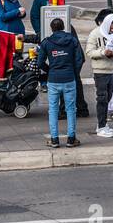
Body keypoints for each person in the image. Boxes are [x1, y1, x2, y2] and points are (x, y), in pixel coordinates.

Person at [39, 17, 82, 148]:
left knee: (53, 109)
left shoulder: (46, 42)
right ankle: (71, 138)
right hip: (69, 78)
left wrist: (50, 70)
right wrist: (74, 72)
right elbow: (79, 59)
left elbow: (40, 62)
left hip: (53, 80)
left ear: (51, 29)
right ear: (63, 27)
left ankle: (54, 139)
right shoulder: (72, 40)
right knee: (71, 109)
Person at [85, 12, 113, 137]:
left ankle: (102, 124)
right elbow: (89, 52)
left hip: (112, 69)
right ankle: (101, 126)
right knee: (102, 98)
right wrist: (103, 52)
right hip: (100, 71)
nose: (112, 30)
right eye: (111, 28)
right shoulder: (95, 33)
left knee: (108, 97)